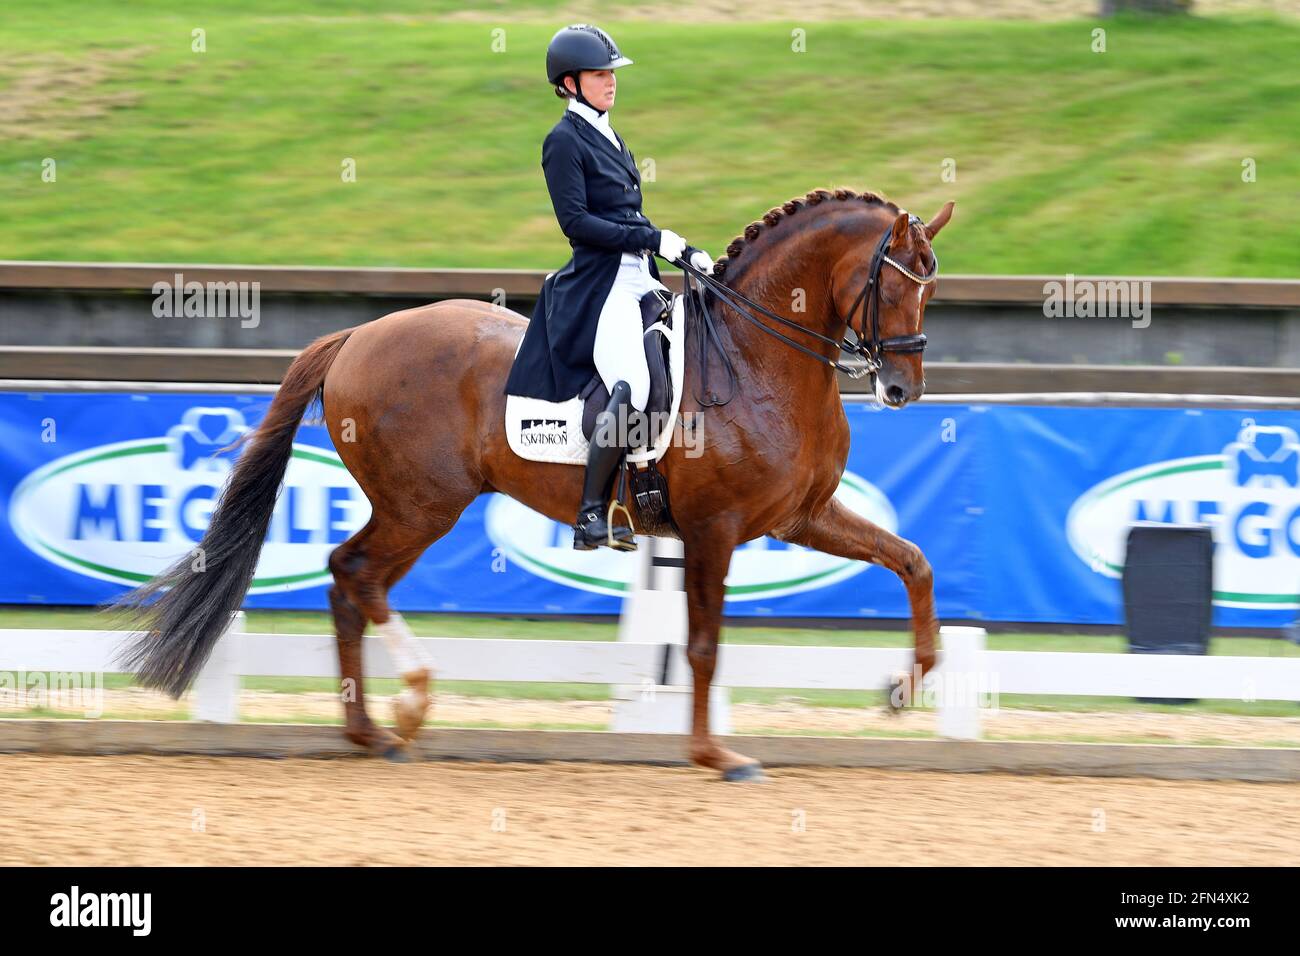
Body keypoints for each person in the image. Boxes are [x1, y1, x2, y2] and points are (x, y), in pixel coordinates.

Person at [502, 23, 713, 552]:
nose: (611, 82)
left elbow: (626, 215)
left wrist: (678, 250)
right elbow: (577, 223)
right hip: (602, 287)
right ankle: (591, 513)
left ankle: (645, 485)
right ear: (570, 83)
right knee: (633, 384)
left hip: (640, 276)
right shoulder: (563, 141)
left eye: (612, 73)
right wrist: (656, 236)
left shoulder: (612, 136)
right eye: (600, 74)